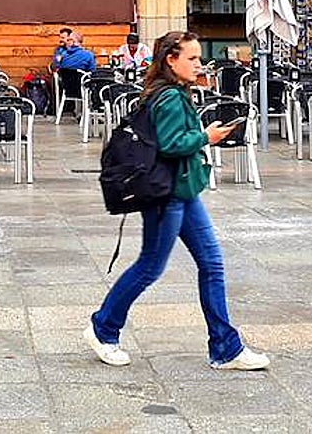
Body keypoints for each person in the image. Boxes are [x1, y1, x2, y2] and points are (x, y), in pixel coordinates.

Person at [86, 30, 269, 371]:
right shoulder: (169, 97)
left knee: (212, 263)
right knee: (149, 268)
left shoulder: (174, 92)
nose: (199, 64)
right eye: (192, 58)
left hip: (183, 191)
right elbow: (170, 144)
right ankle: (103, 328)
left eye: (199, 58)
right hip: (167, 195)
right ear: (171, 60)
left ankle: (226, 347)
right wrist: (206, 137)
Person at [51, 27, 96, 113]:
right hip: (83, 88)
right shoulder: (88, 55)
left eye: (68, 40)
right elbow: (92, 71)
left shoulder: (62, 56)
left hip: (67, 88)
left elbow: (56, 66)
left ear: (73, 42)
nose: (66, 42)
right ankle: (89, 112)